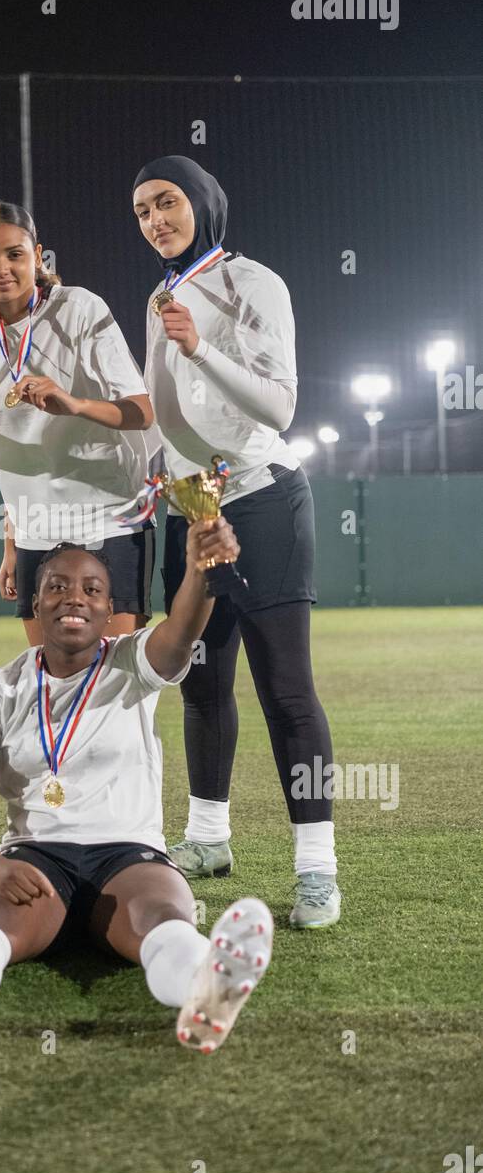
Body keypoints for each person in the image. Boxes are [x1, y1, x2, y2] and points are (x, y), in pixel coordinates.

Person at [0, 519, 274, 1054]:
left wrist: (201, 569)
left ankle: (208, 987)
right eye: (56, 587)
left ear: (108, 610)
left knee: (164, 922)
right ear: (34, 605)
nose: (72, 598)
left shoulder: (133, 662)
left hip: (129, 857)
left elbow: (182, 632)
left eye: (91, 590)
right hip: (34, 860)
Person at [131, 154, 340, 929]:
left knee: (286, 689)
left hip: (262, 502)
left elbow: (280, 408)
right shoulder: (161, 296)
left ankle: (317, 868)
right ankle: (208, 839)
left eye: (167, 202)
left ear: (204, 203)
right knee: (200, 681)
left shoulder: (255, 284)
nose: (155, 220)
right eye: (143, 211)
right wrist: (157, 476)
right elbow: (159, 410)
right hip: (193, 512)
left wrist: (198, 348)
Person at [0, 200, 161, 647]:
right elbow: (5, 449)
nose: (0, 268)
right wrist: (11, 544)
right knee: (52, 686)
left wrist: (74, 405)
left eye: (14, 254)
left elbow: (142, 411)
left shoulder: (79, 308)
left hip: (108, 520)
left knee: (116, 682)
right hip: (35, 530)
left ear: (38, 254)